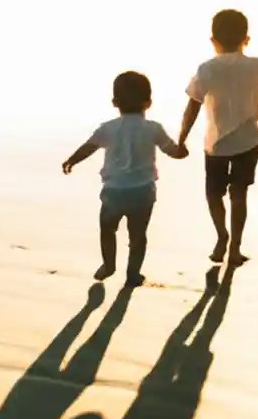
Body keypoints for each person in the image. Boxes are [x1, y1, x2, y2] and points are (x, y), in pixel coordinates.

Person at [179, 10, 258, 265]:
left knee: (213, 194)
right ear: (246, 39)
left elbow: (193, 105)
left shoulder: (207, 69)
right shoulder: (256, 65)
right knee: (239, 194)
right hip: (249, 141)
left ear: (213, 39)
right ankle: (235, 248)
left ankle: (221, 237)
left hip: (216, 144)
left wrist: (182, 138)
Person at [63, 71, 188, 286]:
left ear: (114, 102)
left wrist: (71, 161)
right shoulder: (153, 129)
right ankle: (133, 274)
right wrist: (182, 150)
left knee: (107, 229)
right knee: (138, 237)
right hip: (142, 192)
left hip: (114, 191)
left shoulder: (108, 128)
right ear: (148, 102)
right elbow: (172, 151)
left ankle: (108, 265)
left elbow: (89, 147)